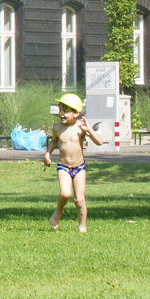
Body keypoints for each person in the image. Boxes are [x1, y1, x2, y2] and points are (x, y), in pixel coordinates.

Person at [43, 92, 103, 233]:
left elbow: (99, 142)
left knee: (79, 200)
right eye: (60, 110)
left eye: (65, 111)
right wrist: (47, 154)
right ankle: (57, 213)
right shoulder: (57, 128)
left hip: (79, 168)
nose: (61, 114)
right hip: (63, 167)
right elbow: (54, 142)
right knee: (65, 194)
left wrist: (89, 130)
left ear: (76, 113)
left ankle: (82, 225)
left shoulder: (80, 128)